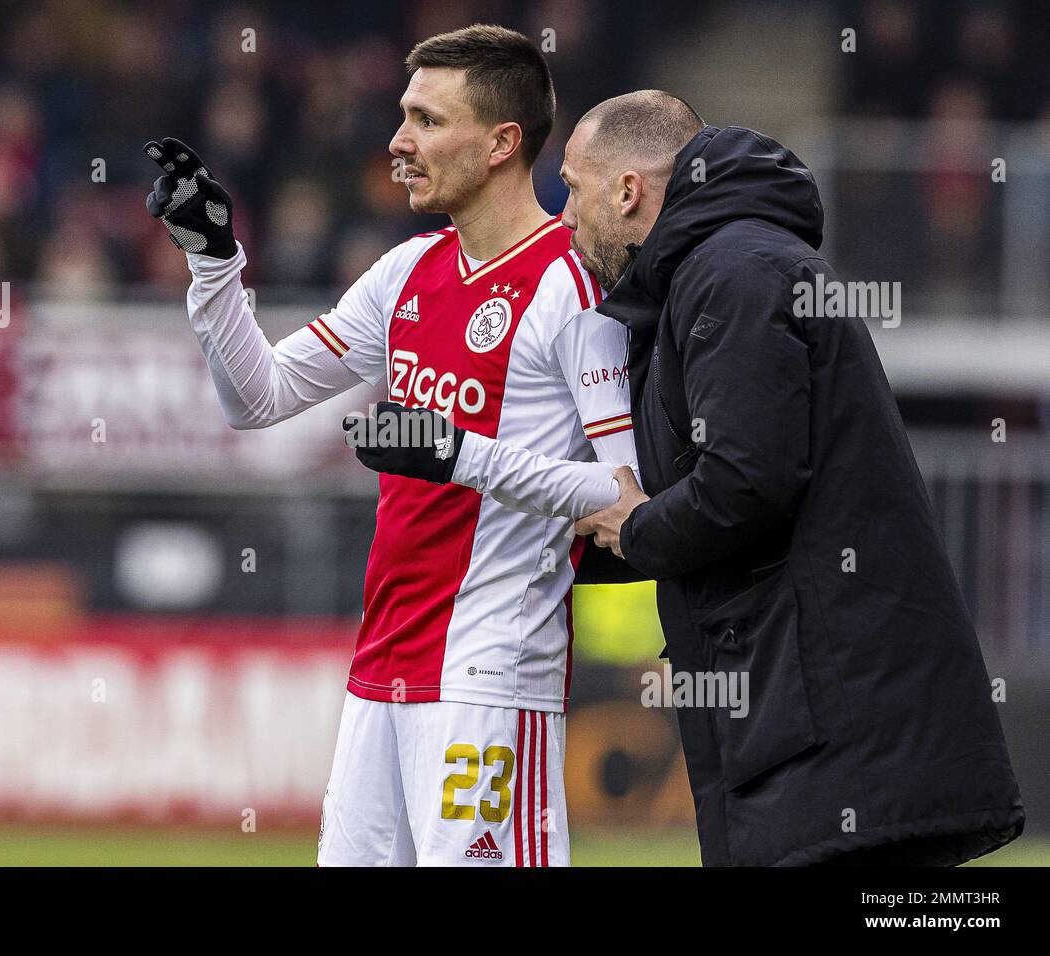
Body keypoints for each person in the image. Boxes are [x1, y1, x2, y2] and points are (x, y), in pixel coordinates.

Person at [369, 90, 1025, 866]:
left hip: (832, 730)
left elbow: (746, 481)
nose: (564, 217)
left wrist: (633, 525)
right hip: (809, 718)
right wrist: (557, 542)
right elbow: (702, 500)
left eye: (574, 190)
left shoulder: (732, 273)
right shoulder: (711, 275)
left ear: (627, 191)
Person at [145, 25, 639, 867]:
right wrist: (214, 265)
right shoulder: (407, 271)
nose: (397, 143)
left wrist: (458, 453)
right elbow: (257, 399)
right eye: (403, 117)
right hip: (383, 668)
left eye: (426, 121)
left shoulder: (572, 286)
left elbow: (625, 497)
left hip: (491, 674)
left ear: (500, 144)